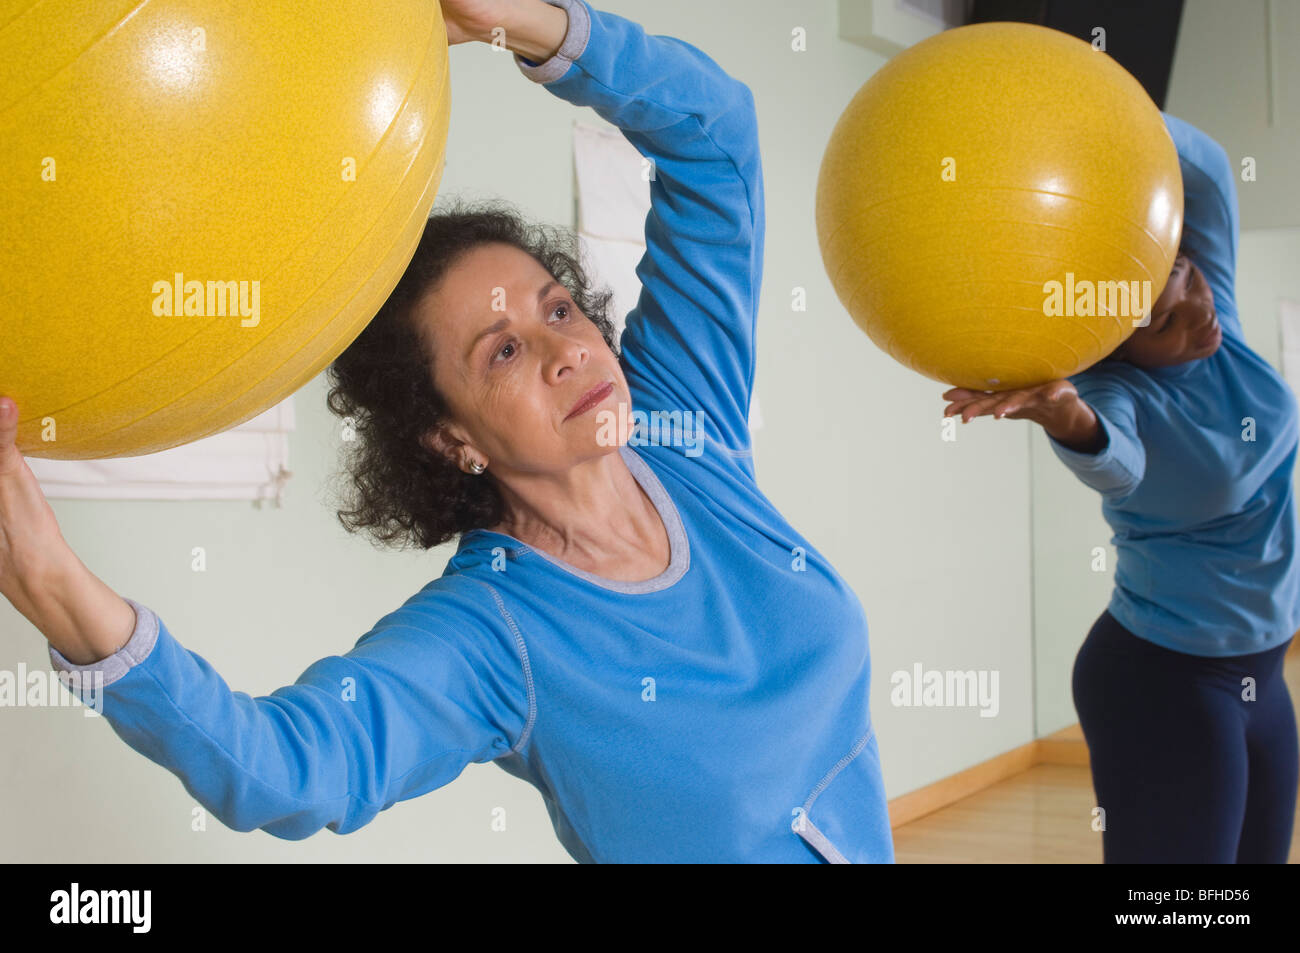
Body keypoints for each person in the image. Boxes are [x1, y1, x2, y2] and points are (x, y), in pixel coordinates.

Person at [0, 0, 894, 863]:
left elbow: (715, 135)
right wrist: (56, 587)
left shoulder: (684, 426)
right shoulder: (493, 634)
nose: (565, 351)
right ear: (448, 438)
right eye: (502, 352)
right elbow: (290, 770)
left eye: (558, 308)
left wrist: (528, 24)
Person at [943, 112, 1300, 863]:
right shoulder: (1120, 396)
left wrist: (1115, 109)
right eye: (1164, 322)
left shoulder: (1217, 320)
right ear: (1113, 346)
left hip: (1261, 678)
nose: (1198, 314)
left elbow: (1207, 173)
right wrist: (1068, 420)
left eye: (1190, 278)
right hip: (1165, 680)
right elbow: (1117, 463)